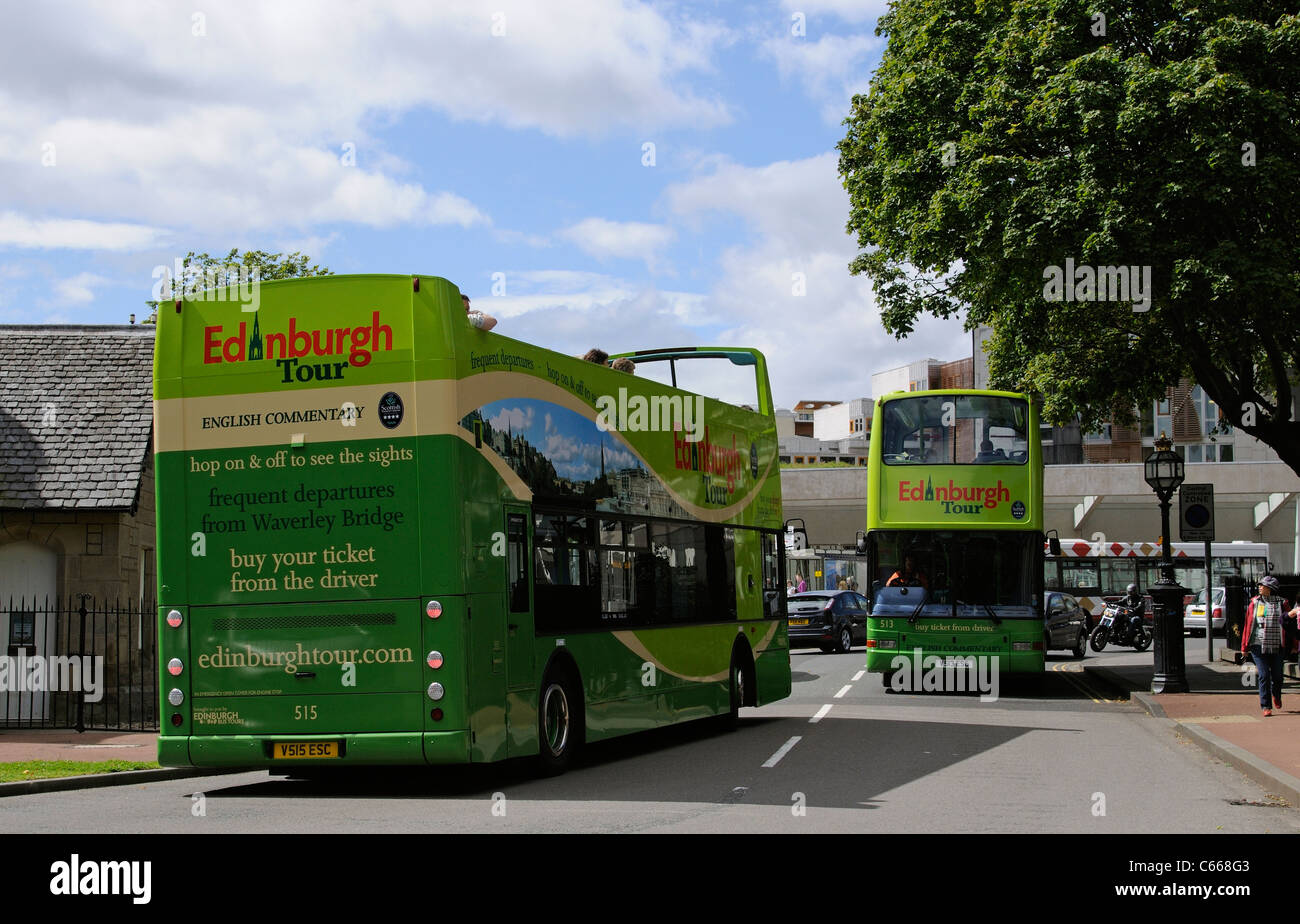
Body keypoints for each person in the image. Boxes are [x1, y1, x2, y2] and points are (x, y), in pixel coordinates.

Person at [1242, 575, 1292, 716]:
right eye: (1259, 585)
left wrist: (1294, 643)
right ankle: (1266, 706)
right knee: (1263, 676)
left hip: (1277, 645)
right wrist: (1244, 646)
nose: (1259, 587)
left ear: (1270, 588)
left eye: (1262, 585)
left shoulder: (1283, 603)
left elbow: (1290, 624)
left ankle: (1276, 695)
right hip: (1258, 645)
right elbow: (1248, 624)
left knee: (1277, 677)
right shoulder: (1254, 602)